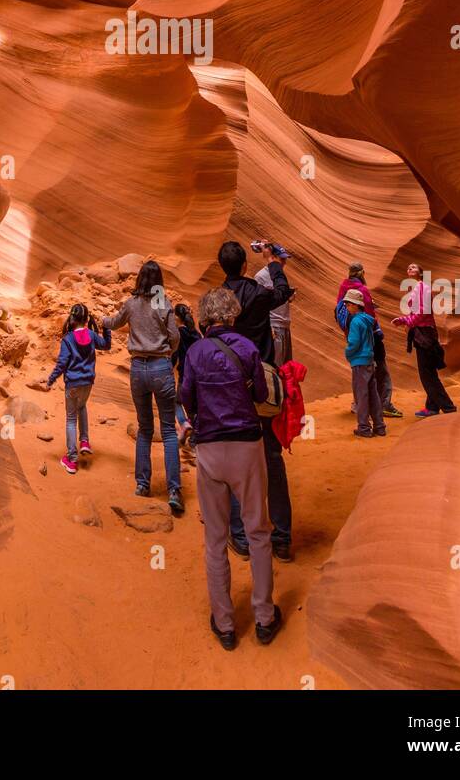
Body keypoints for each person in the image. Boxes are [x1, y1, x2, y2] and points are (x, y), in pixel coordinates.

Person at [179, 286, 282, 651]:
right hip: (246, 448)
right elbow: (258, 397)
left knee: (215, 540)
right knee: (258, 532)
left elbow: (185, 397)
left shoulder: (195, 351)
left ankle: (224, 623)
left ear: (205, 319)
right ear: (233, 315)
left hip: (210, 450)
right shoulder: (248, 348)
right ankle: (264, 618)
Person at [218, 239, 294, 561]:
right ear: (245, 266)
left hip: (232, 388)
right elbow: (282, 293)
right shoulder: (257, 293)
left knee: (235, 459)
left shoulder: (218, 300)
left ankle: (242, 535)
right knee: (272, 457)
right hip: (262, 385)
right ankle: (281, 537)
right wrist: (274, 263)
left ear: (223, 267)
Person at [105, 260, 184, 515]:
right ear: (159, 281)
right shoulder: (161, 301)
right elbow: (174, 336)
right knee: (169, 431)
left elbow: (115, 323)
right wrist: (167, 354)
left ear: (139, 279)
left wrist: (100, 320)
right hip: (161, 367)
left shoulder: (131, 303)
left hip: (138, 369)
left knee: (144, 429)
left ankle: (142, 484)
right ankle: (173, 491)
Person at [46, 303, 111, 474]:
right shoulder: (91, 334)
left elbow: (62, 363)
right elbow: (106, 345)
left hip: (73, 384)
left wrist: (51, 379)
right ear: (86, 319)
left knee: (70, 419)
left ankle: (72, 459)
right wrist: (106, 328)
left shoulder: (68, 339)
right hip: (88, 383)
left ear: (72, 319)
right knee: (82, 407)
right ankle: (84, 441)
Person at [336, 262, 403, 417]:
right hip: (369, 337)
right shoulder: (362, 290)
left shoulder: (343, 287)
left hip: (351, 333)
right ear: (362, 273)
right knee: (381, 369)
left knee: (359, 372)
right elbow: (369, 316)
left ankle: (358, 404)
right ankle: (384, 404)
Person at [392, 263, 456, 416]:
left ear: (420, 273)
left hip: (425, 334)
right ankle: (432, 407)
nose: (409, 269)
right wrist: (403, 320)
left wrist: (408, 322)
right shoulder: (416, 288)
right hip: (424, 332)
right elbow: (418, 312)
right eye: (408, 267)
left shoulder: (422, 287)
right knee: (429, 372)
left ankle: (448, 407)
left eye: (413, 267)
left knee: (426, 374)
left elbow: (423, 311)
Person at [344, 289, 386, 438]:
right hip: (369, 360)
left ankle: (364, 427)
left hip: (359, 362)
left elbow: (354, 342)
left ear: (356, 305)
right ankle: (379, 426)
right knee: (373, 394)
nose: (347, 308)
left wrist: (348, 353)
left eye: (348, 305)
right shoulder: (368, 320)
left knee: (361, 396)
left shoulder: (355, 321)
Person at [254, 242, 294, 368]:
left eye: (285, 259)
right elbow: (259, 303)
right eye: (281, 259)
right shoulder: (261, 276)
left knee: (286, 367)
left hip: (284, 324)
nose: (284, 262)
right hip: (274, 326)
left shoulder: (279, 274)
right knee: (276, 366)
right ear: (273, 257)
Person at [171, 302, 201, 443]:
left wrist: (169, 367)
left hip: (185, 373)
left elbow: (175, 355)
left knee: (177, 402)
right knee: (194, 406)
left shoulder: (179, 333)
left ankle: (184, 424)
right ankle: (191, 436)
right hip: (199, 374)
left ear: (177, 317)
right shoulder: (196, 334)